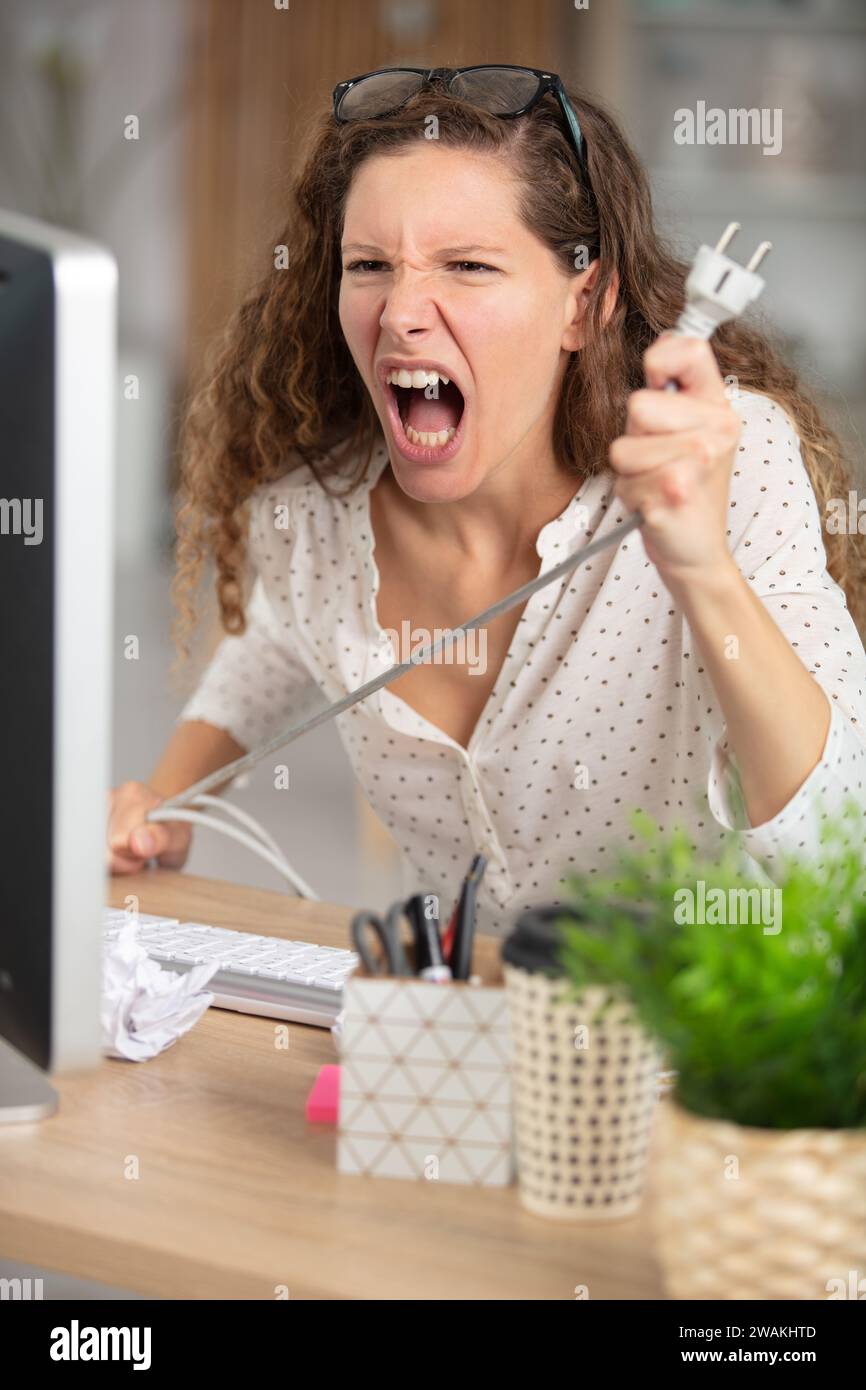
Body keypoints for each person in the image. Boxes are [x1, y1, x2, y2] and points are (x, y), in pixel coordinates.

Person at [107, 67, 866, 935]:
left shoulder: (731, 458)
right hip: (476, 1030)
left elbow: (840, 855)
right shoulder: (314, 516)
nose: (400, 313)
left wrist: (701, 569)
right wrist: (164, 802)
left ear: (588, 303)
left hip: (722, 1048)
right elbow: (275, 640)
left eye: (467, 265)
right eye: (369, 266)